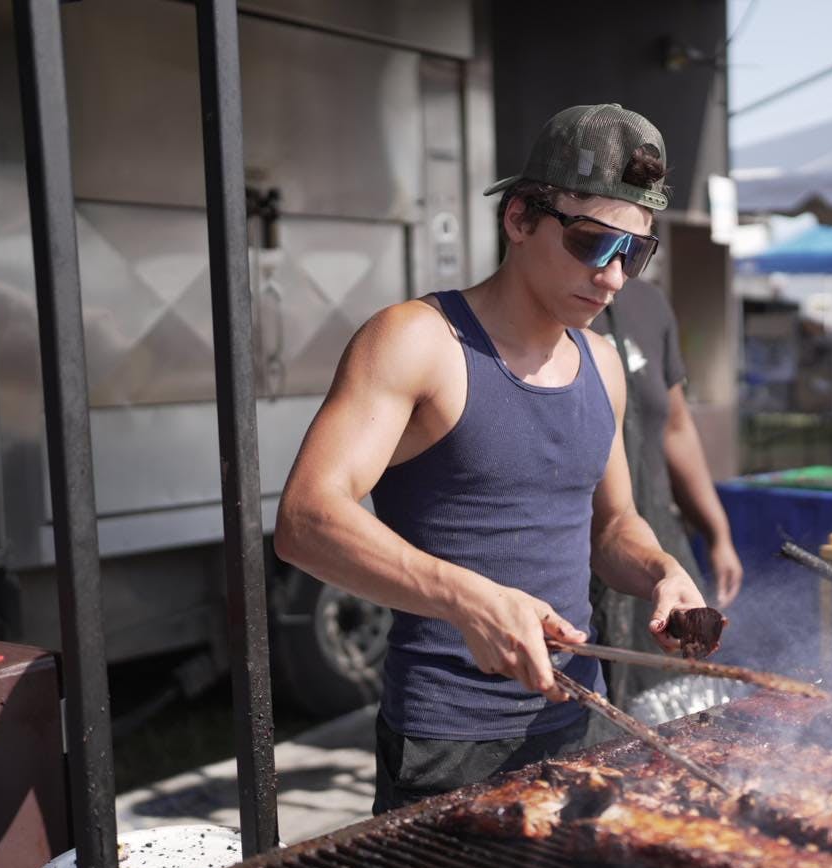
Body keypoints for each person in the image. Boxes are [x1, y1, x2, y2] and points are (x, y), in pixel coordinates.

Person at [275, 104, 707, 812]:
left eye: (634, 254)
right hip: (449, 741)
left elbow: (609, 526)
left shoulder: (602, 364)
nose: (613, 277)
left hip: (584, 721)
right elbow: (306, 518)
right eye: (594, 243)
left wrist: (662, 571)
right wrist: (467, 598)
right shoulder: (419, 341)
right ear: (519, 219)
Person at [589, 279, 742, 707]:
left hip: (656, 541)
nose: (611, 274)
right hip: (584, 562)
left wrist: (717, 531)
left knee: (678, 705)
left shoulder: (648, 303)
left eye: (636, 247)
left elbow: (676, 427)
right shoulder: (555, 308)